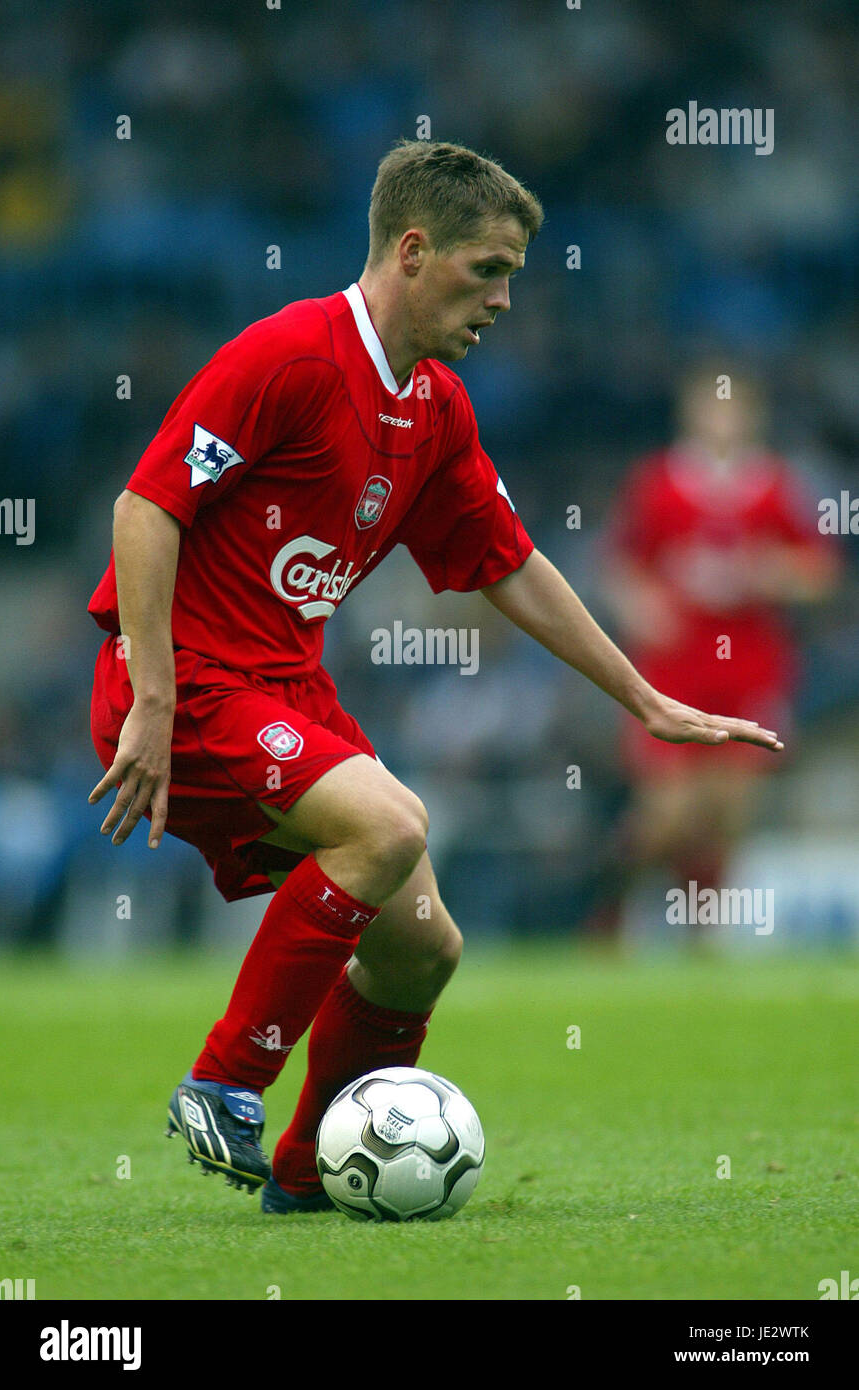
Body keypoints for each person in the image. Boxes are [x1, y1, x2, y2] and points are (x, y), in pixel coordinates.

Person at [87, 142, 783, 1214]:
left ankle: (309, 1173)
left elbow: (510, 563)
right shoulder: (291, 356)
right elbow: (147, 506)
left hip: (282, 689)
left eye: (512, 274)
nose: (504, 298)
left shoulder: (433, 407)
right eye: (486, 269)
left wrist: (642, 699)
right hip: (188, 683)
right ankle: (224, 1080)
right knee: (389, 825)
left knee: (422, 947)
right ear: (412, 252)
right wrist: (154, 696)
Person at [592, 367, 838, 943]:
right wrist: (643, 607)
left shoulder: (774, 485)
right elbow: (619, 565)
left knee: (729, 810)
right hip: (675, 666)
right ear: (691, 415)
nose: (722, 420)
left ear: (751, 417)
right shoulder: (658, 483)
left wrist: (766, 572)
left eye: (732, 410)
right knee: (670, 810)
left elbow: (819, 572)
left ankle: (701, 940)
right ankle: (608, 909)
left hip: (751, 666)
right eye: (712, 409)